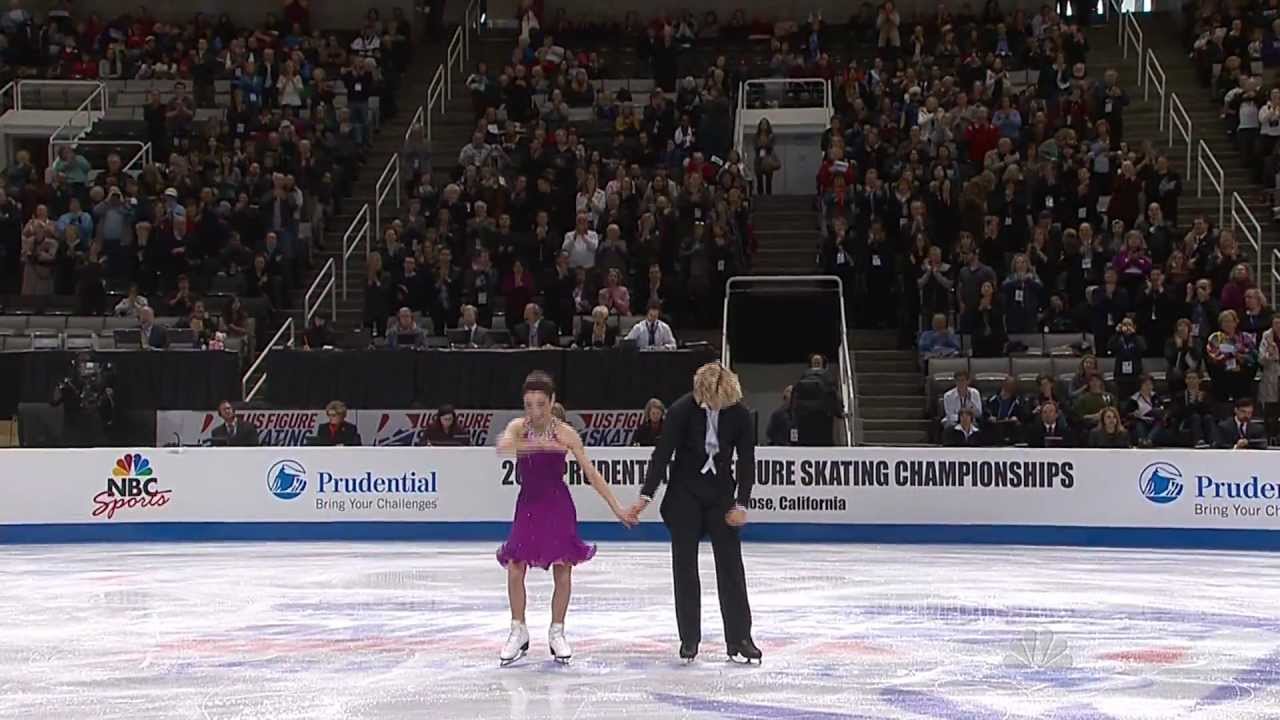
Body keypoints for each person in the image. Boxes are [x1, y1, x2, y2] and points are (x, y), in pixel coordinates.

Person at [495, 371, 634, 666]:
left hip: (558, 505)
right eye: (529, 405)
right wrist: (534, 445)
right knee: (515, 565)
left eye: (540, 404)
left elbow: (591, 474)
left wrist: (617, 508)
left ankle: (557, 631)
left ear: (552, 401)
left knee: (563, 568)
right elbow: (503, 446)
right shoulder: (518, 427)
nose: (534, 411)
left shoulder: (566, 434)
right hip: (528, 505)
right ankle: (518, 629)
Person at [627, 362, 760, 663]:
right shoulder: (681, 410)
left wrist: (742, 503)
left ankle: (740, 638)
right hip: (684, 495)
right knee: (685, 567)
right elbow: (662, 455)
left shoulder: (739, 414)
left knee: (731, 567)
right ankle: (689, 638)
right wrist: (645, 496)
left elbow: (747, 460)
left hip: (720, 496)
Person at [792, 354, 843, 446]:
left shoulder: (803, 376)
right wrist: (840, 412)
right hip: (823, 421)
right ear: (823, 365)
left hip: (804, 421)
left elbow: (794, 401)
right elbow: (833, 396)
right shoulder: (827, 377)